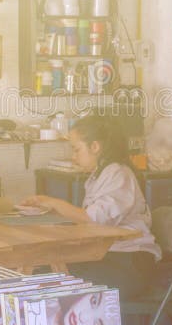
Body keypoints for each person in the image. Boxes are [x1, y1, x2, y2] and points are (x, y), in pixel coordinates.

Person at [21, 115, 161, 299]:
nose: (73, 157)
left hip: (129, 262)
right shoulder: (99, 175)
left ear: (95, 147)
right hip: (108, 256)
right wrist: (50, 210)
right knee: (39, 274)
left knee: (47, 282)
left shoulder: (118, 174)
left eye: (76, 150)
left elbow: (94, 218)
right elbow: (88, 219)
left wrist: (53, 202)